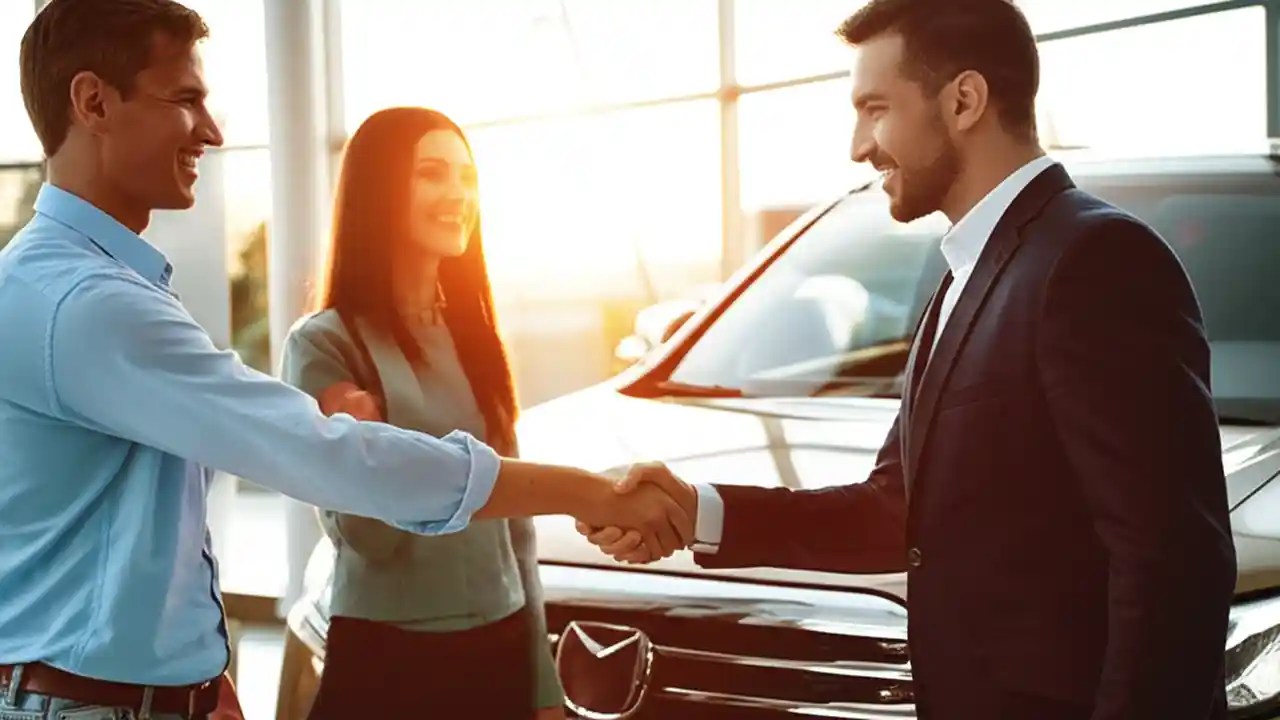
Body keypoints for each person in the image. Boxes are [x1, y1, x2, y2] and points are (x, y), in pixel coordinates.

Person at [0, 2, 690, 719]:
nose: (212, 130)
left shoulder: (79, 286)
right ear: (93, 103)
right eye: (185, 99)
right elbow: (331, 458)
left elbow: (132, 535)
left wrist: (199, 680)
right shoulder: (86, 304)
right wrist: (588, 493)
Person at [581, 0, 1236, 718]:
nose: (859, 146)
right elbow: (897, 510)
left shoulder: (1095, 259)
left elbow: (1172, 563)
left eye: (876, 109)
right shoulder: (965, 276)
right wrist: (697, 510)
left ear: (964, 100)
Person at [280, 107, 564, 718]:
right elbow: (370, 539)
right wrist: (371, 433)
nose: (458, 194)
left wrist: (545, 688)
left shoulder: (475, 338)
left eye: (467, 176)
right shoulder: (323, 345)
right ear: (379, 190)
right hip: (389, 657)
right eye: (432, 173)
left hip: (501, 646)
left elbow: (518, 530)